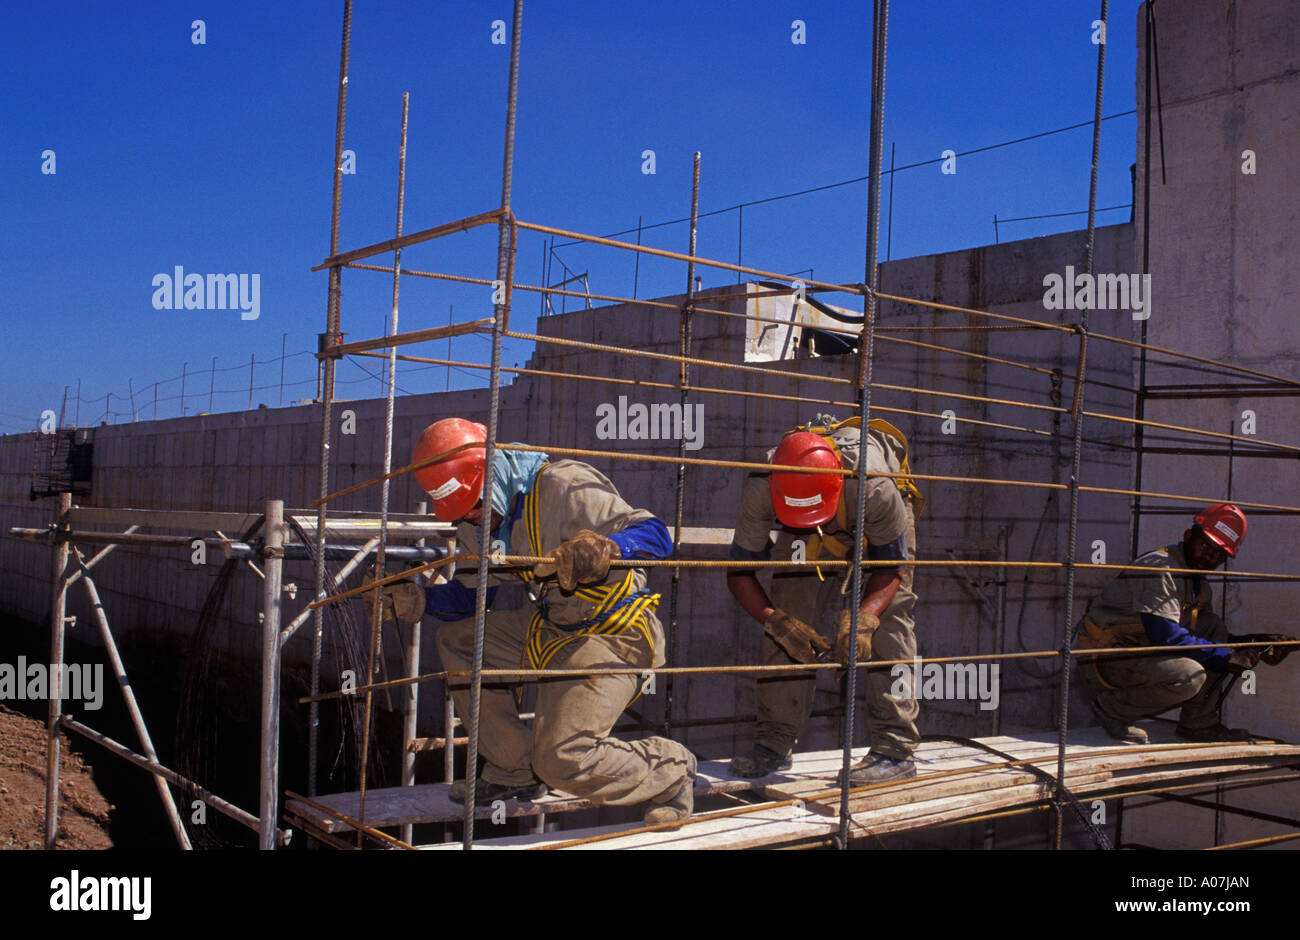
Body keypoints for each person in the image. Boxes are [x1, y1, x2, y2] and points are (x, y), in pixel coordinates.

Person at [371, 417, 696, 827]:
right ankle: (512, 770)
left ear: (491, 473)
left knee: (561, 760)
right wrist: (418, 599)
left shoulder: (563, 485)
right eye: (462, 513)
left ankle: (671, 771)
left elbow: (656, 535)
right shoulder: (478, 523)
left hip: (614, 632)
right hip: (552, 628)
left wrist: (607, 547)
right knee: (458, 639)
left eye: (475, 505)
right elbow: (471, 598)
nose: (472, 518)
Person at [725, 415, 923, 784]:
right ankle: (774, 743)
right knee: (789, 610)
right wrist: (776, 621)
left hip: (869, 514)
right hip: (802, 526)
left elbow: (891, 566)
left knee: (890, 619)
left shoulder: (875, 487)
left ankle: (894, 748)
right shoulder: (764, 484)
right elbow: (738, 572)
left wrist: (865, 618)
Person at [1077, 503, 1290, 744]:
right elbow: (1165, 637)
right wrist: (1227, 654)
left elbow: (1208, 639)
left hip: (1137, 650)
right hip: (1103, 655)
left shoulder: (1198, 585)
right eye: (1204, 545)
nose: (1210, 556)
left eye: (1219, 553)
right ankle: (1111, 710)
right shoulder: (1161, 568)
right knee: (1190, 675)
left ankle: (1198, 724)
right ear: (1189, 536)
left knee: (1213, 626)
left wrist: (1251, 644)